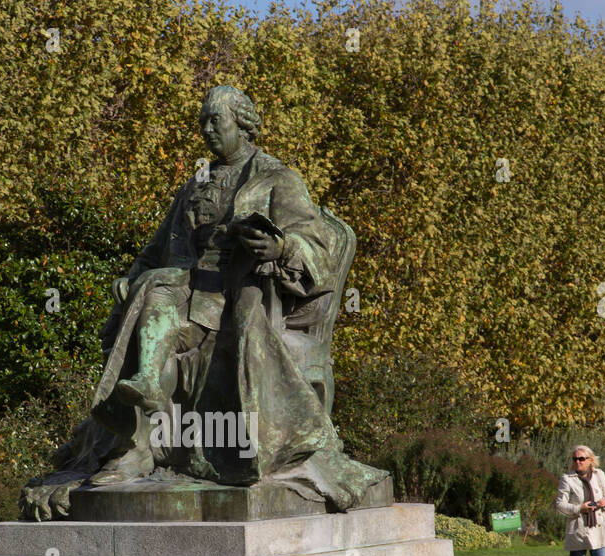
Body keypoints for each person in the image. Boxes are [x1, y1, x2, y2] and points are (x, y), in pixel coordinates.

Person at [21, 84, 386, 518]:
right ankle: (141, 425)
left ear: (243, 125)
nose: (208, 130)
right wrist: (132, 277)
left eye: (217, 121)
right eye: (203, 123)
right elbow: (157, 250)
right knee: (151, 291)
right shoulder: (195, 185)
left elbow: (316, 245)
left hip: (241, 297)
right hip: (186, 290)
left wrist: (280, 248)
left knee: (167, 300)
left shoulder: (277, 178)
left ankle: (161, 425)